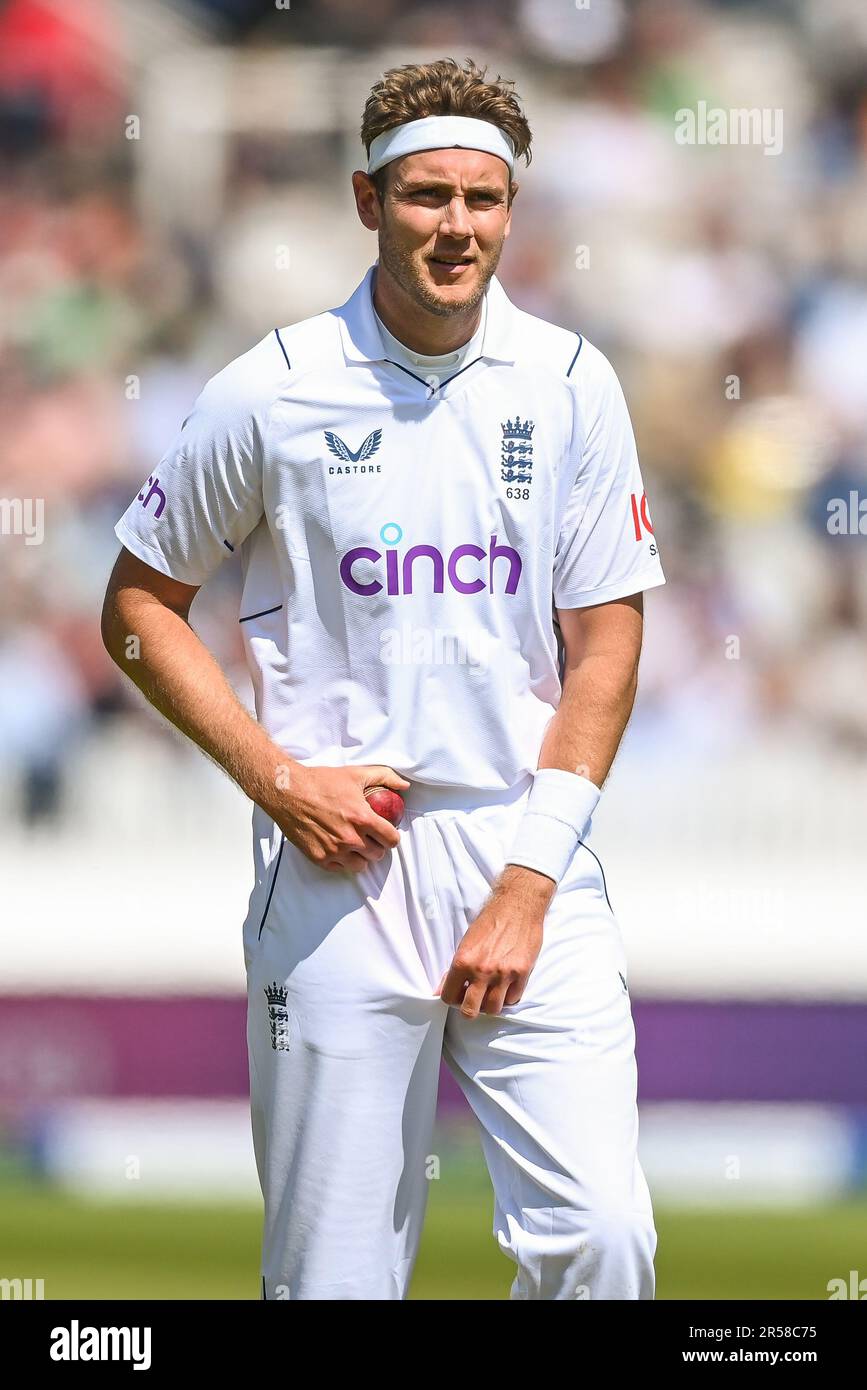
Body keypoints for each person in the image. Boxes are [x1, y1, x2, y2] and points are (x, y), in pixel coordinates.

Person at [102, 56, 666, 1301]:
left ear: (513, 209)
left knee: (603, 1240)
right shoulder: (272, 386)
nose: (454, 227)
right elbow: (140, 605)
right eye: (424, 196)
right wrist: (280, 778)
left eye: (481, 199)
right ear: (368, 201)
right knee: (332, 1282)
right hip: (337, 866)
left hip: (528, 856)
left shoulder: (572, 384)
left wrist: (528, 879)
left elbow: (607, 648)